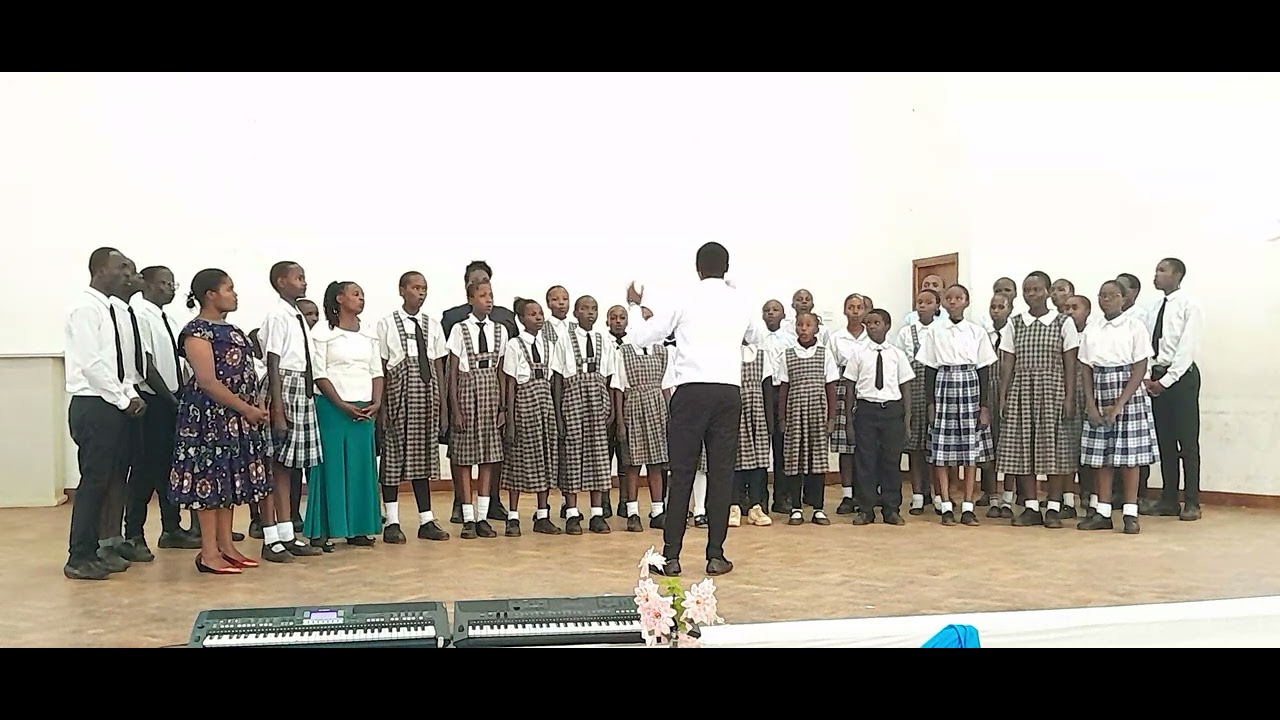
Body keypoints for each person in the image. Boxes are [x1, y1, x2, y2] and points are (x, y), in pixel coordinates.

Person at [628, 242, 759, 577]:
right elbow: (756, 336)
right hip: (728, 392)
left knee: (682, 472)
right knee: (721, 475)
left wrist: (634, 306)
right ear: (726, 268)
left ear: (698, 269)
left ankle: (671, 556)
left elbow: (641, 337)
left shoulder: (683, 298)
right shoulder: (740, 300)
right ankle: (716, 555)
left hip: (690, 392)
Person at [170, 269, 272, 574]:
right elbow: (207, 381)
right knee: (208, 482)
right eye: (228, 289)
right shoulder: (196, 332)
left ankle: (227, 547)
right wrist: (246, 409)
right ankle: (208, 552)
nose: (234, 294)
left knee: (227, 482)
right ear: (210, 295)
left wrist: (255, 405)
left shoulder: (235, 330)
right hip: (208, 419)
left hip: (235, 418)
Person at [63, 248, 145, 580]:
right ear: (99, 271)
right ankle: (79, 556)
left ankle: (97, 549)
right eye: (120, 267)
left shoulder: (109, 309)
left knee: (110, 480)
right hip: (93, 403)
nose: (127, 273)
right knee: (94, 483)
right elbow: (91, 363)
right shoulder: (85, 308)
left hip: (110, 401)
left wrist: (129, 394)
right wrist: (122, 399)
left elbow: (118, 363)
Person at [126, 266, 202, 553]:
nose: (170, 288)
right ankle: (134, 533)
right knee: (145, 469)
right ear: (146, 284)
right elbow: (145, 364)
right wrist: (170, 399)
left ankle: (172, 528)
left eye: (172, 283)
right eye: (163, 283)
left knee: (170, 468)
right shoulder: (140, 315)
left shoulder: (167, 318)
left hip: (173, 396)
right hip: (154, 400)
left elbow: (176, 361)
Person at [303, 282, 384, 551]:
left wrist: (376, 402)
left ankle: (358, 528)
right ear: (339, 298)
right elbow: (319, 373)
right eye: (355, 294)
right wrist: (340, 404)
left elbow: (376, 370)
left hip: (364, 408)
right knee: (331, 467)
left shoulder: (369, 333)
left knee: (361, 467)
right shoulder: (322, 332)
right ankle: (324, 530)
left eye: (362, 295)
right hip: (332, 407)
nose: (361, 299)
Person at [997, 271, 1080, 529]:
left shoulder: (1063, 322)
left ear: (1048, 291)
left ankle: (1053, 506)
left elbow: (1070, 363)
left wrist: (1069, 397)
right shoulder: (1015, 323)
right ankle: (1031, 506)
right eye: (1027, 290)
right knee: (1025, 448)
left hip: (1053, 389)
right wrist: (1004, 395)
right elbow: (1008, 362)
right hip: (1022, 389)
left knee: (1054, 449)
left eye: (1037, 289)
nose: (1031, 294)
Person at [1078, 281, 1159, 535]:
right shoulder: (1093, 329)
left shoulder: (1135, 326)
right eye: (1102, 296)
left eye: (1112, 296)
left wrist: (1120, 404)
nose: (1106, 300)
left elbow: (1140, 367)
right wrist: (1091, 403)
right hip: (1100, 386)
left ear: (1124, 299)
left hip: (1127, 390)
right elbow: (1085, 368)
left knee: (1129, 457)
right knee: (1101, 456)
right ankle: (1103, 511)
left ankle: (1130, 512)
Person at [375, 271, 450, 544]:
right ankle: (392, 521)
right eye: (416, 287)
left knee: (423, 458)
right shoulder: (386, 324)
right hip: (398, 396)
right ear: (402, 290)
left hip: (427, 397)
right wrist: (382, 407)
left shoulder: (433, 325)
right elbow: (381, 367)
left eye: (424, 288)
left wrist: (442, 406)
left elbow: (438, 366)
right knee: (393, 459)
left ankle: (426, 520)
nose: (421, 293)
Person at [259, 261, 324, 561]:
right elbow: (273, 361)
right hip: (285, 387)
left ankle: (287, 533)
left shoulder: (296, 315)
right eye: (298, 278)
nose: (304, 283)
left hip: (301, 387)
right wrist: (278, 408)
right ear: (280, 282)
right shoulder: (277, 316)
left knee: (287, 467)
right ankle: (270, 537)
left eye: (304, 277)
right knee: (274, 465)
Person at [918, 285, 998, 526]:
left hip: (969, 386)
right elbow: (929, 370)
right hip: (944, 386)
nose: (953, 302)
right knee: (941, 451)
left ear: (967, 301)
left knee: (970, 452)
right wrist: (931, 403)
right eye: (949, 298)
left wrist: (984, 406)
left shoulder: (976, 332)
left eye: (958, 298)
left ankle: (967, 505)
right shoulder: (934, 331)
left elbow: (984, 371)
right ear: (943, 302)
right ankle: (945, 504)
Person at [442, 261, 515, 524]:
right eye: (483, 295)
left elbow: (502, 371)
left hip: (491, 395)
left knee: (489, 456)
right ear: (470, 298)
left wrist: (503, 408)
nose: (488, 300)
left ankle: (483, 515)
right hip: (466, 393)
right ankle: (466, 514)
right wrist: (454, 408)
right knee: (464, 456)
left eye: (491, 295)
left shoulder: (501, 329)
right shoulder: (459, 328)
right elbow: (451, 371)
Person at [1144, 257, 1203, 521]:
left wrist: (1166, 381)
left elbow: (1186, 349)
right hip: (1157, 376)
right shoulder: (1154, 308)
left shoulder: (1189, 305)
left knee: (1187, 442)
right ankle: (1169, 499)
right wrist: (1149, 377)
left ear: (1178, 275)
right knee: (1164, 441)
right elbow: (1147, 346)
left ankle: (1192, 501)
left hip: (1181, 378)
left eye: (1162, 270)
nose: (1156, 275)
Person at [553, 295, 615, 534]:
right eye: (585, 308)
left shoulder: (603, 341)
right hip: (573, 399)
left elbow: (610, 378)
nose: (590, 313)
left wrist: (610, 408)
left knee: (597, 456)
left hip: (597, 400)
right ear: (575, 313)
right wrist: (559, 414)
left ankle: (597, 514)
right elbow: (558, 378)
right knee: (572, 455)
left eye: (594, 309)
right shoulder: (564, 340)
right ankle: (571, 513)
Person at [501, 298, 563, 536]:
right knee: (519, 460)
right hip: (524, 404)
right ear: (521, 319)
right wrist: (510, 420)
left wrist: (556, 414)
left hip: (544, 404)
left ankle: (543, 514)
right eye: (532, 314)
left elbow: (554, 380)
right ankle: (513, 516)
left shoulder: (549, 345)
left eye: (540, 314)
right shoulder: (514, 345)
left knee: (545, 458)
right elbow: (510, 383)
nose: (538, 317)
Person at [846, 309, 914, 526]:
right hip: (866, 410)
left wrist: (907, 418)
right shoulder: (858, 353)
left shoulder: (897, 355)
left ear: (887, 326)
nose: (872, 327)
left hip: (891, 411)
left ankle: (891, 508)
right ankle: (866, 509)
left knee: (891, 461)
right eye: (869, 323)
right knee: (865, 461)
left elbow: (905, 387)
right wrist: (848, 421)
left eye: (877, 322)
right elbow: (850, 387)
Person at [775, 312, 840, 527]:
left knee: (817, 460)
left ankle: (818, 508)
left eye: (808, 325)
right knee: (794, 460)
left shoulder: (824, 353)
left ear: (816, 329)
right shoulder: (788, 355)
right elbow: (784, 388)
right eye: (800, 325)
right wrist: (782, 417)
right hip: (795, 412)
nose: (804, 328)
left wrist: (831, 418)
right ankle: (796, 507)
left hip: (817, 412)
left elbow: (830, 388)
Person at [611, 309, 671, 532]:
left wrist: (670, 416)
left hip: (656, 408)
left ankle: (657, 511)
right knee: (633, 464)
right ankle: (632, 512)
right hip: (633, 407)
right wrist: (620, 421)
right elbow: (619, 388)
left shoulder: (662, 352)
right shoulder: (624, 352)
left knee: (656, 463)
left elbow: (666, 387)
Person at [897, 288, 940, 515]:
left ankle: (939, 493)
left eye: (928, 302)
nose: (922, 305)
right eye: (919, 302)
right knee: (915, 446)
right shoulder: (907, 332)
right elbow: (901, 362)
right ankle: (917, 495)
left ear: (937, 305)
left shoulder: (942, 330)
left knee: (936, 446)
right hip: (914, 387)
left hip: (939, 388)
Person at [826, 294, 869, 515]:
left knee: (866, 445)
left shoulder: (871, 337)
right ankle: (847, 494)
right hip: (843, 387)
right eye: (851, 307)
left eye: (859, 307)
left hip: (867, 387)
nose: (855, 311)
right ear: (844, 310)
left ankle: (865, 493)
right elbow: (830, 368)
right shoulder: (836, 338)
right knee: (846, 447)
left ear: (865, 310)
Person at [734, 336, 774, 527]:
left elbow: (767, 389)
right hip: (735, 410)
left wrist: (769, 421)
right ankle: (733, 505)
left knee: (759, 460)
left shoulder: (762, 355)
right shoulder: (730, 354)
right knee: (735, 458)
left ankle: (756, 506)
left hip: (757, 412)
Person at [983, 292, 1014, 518]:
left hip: (1011, 390)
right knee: (989, 446)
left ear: (1010, 309)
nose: (996, 311)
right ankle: (992, 496)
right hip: (988, 391)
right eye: (993, 307)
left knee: (1011, 445)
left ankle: (1008, 498)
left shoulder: (1015, 333)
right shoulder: (984, 336)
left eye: (1001, 307)